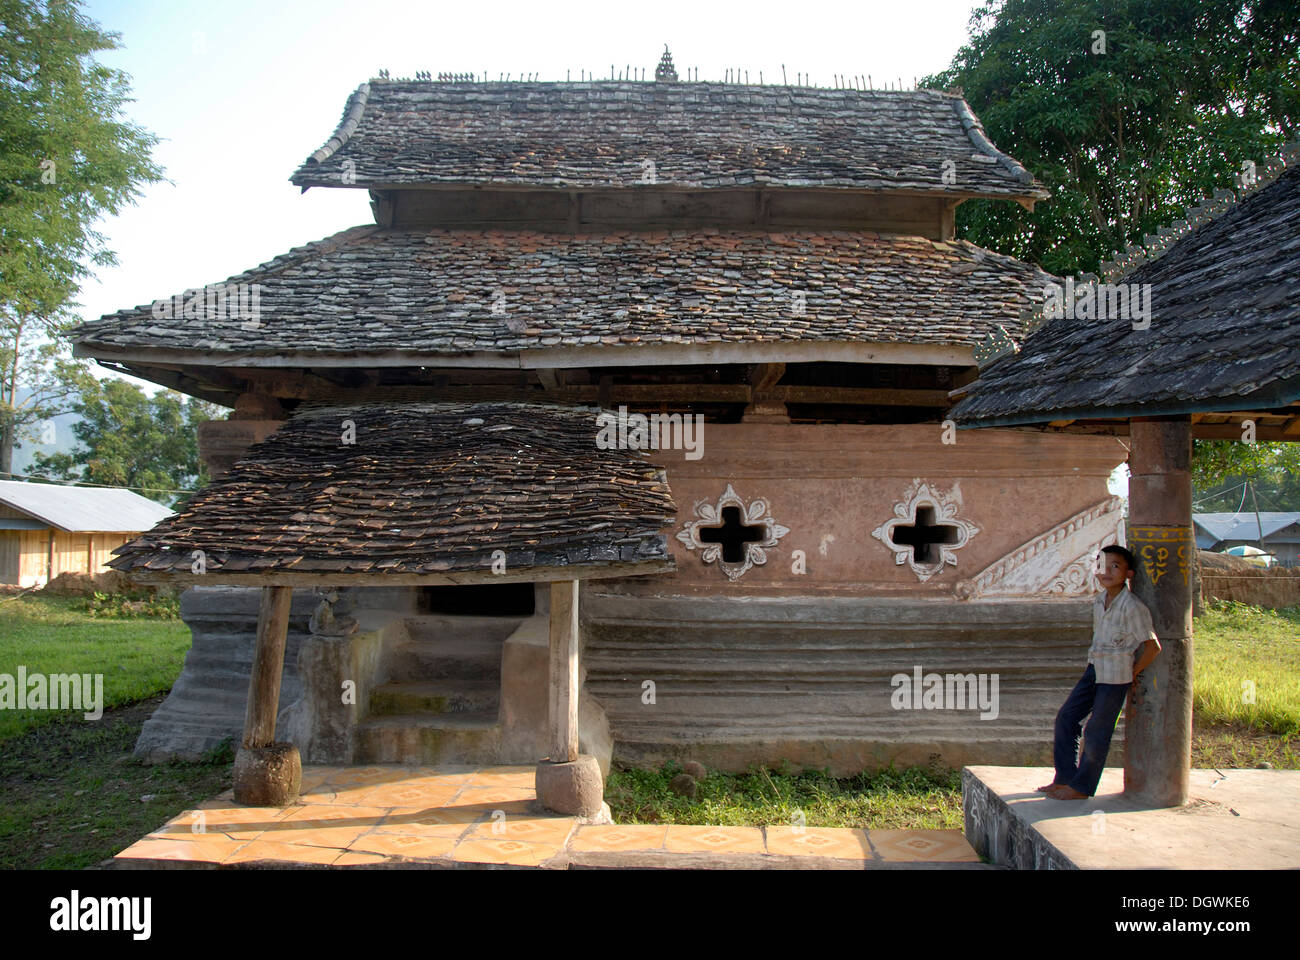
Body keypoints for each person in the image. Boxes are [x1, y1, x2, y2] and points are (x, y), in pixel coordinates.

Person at [1036, 544, 1161, 800]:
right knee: (1066, 718)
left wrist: (1134, 672)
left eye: (1115, 566)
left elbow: (1152, 646)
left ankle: (1082, 787)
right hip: (1094, 670)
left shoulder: (1132, 607)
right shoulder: (1099, 601)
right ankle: (1064, 779)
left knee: (1097, 730)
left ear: (1129, 574)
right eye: (1102, 565)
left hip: (1116, 677)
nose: (1107, 571)